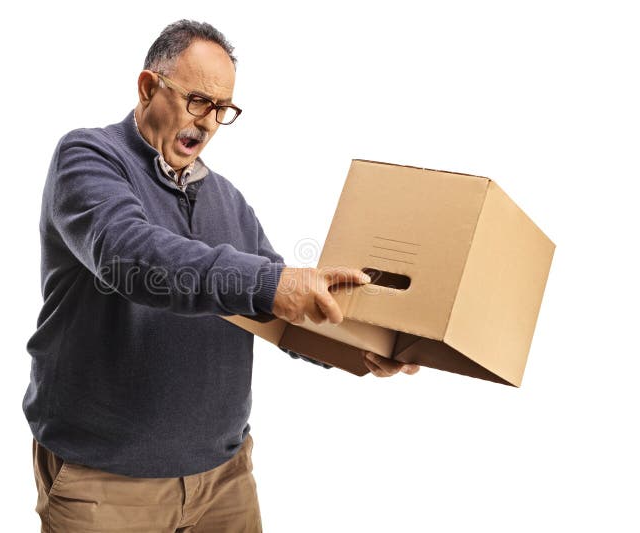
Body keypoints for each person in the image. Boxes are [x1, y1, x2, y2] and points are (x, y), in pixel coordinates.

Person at [23, 19, 419, 533]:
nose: (208, 123)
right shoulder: (89, 158)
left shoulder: (227, 199)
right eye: (197, 101)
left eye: (222, 110)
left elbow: (279, 309)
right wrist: (273, 285)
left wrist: (360, 345)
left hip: (224, 481)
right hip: (107, 484)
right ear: (148, 88)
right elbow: (129, 256)